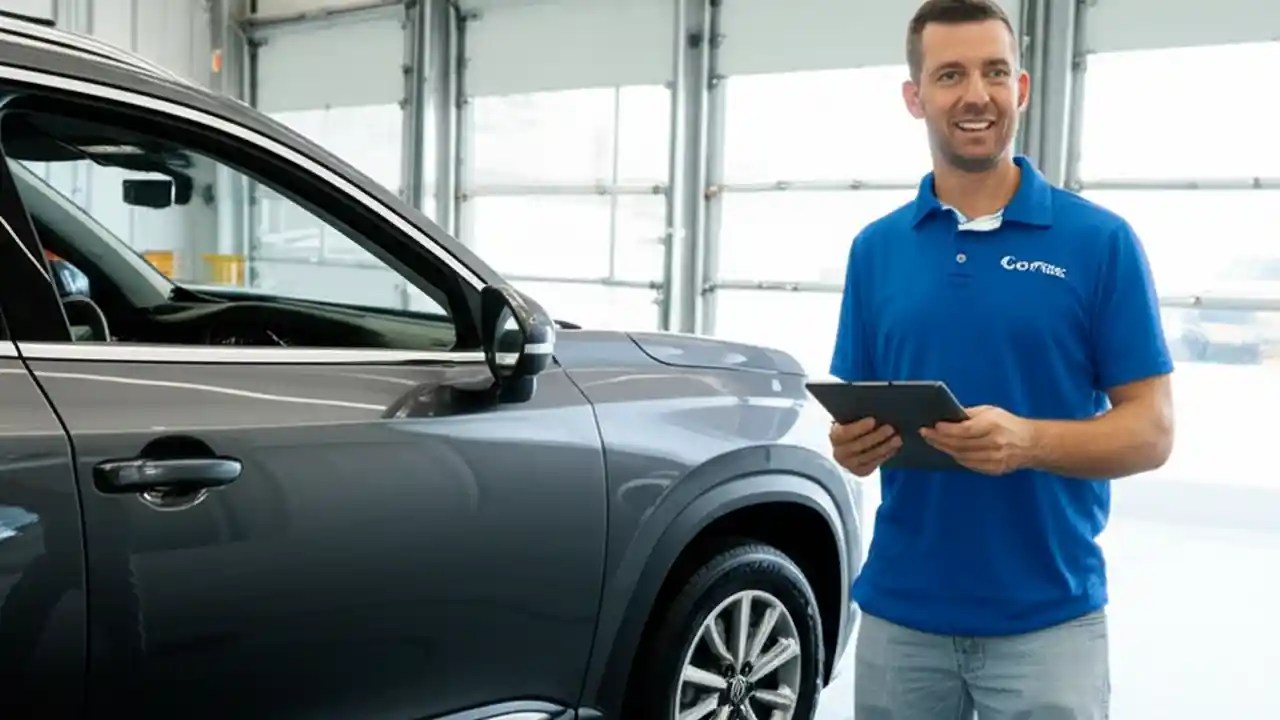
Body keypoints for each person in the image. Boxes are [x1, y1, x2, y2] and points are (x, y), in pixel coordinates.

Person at [827, 1, 1175, 718]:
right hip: (900, 618)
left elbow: (1151, 431)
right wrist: (852, 445)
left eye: (993, 72)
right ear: (915, 97)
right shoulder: (876, 249)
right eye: (950, 74)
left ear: (1020, 88)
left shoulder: (1099, 242)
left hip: (1047, 622)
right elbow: (859, 406)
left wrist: (1028, 440)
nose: (975, 95)